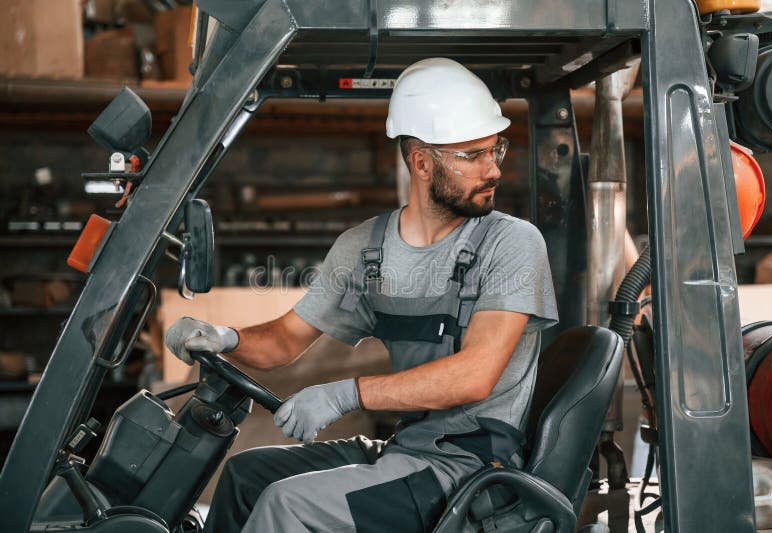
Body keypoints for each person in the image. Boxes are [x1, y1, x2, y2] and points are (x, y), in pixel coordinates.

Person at [165, 57, 558, 533]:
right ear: (421, 161)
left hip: (471, 468)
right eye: (471, 156)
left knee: (288, 505)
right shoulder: (364, 250)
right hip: (408, 448)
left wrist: (343, 395)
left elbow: (474, 376)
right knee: (246, 475)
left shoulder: (511, 243)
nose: (492, 169)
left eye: (495, 150)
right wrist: (225, 337)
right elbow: (283, 341)